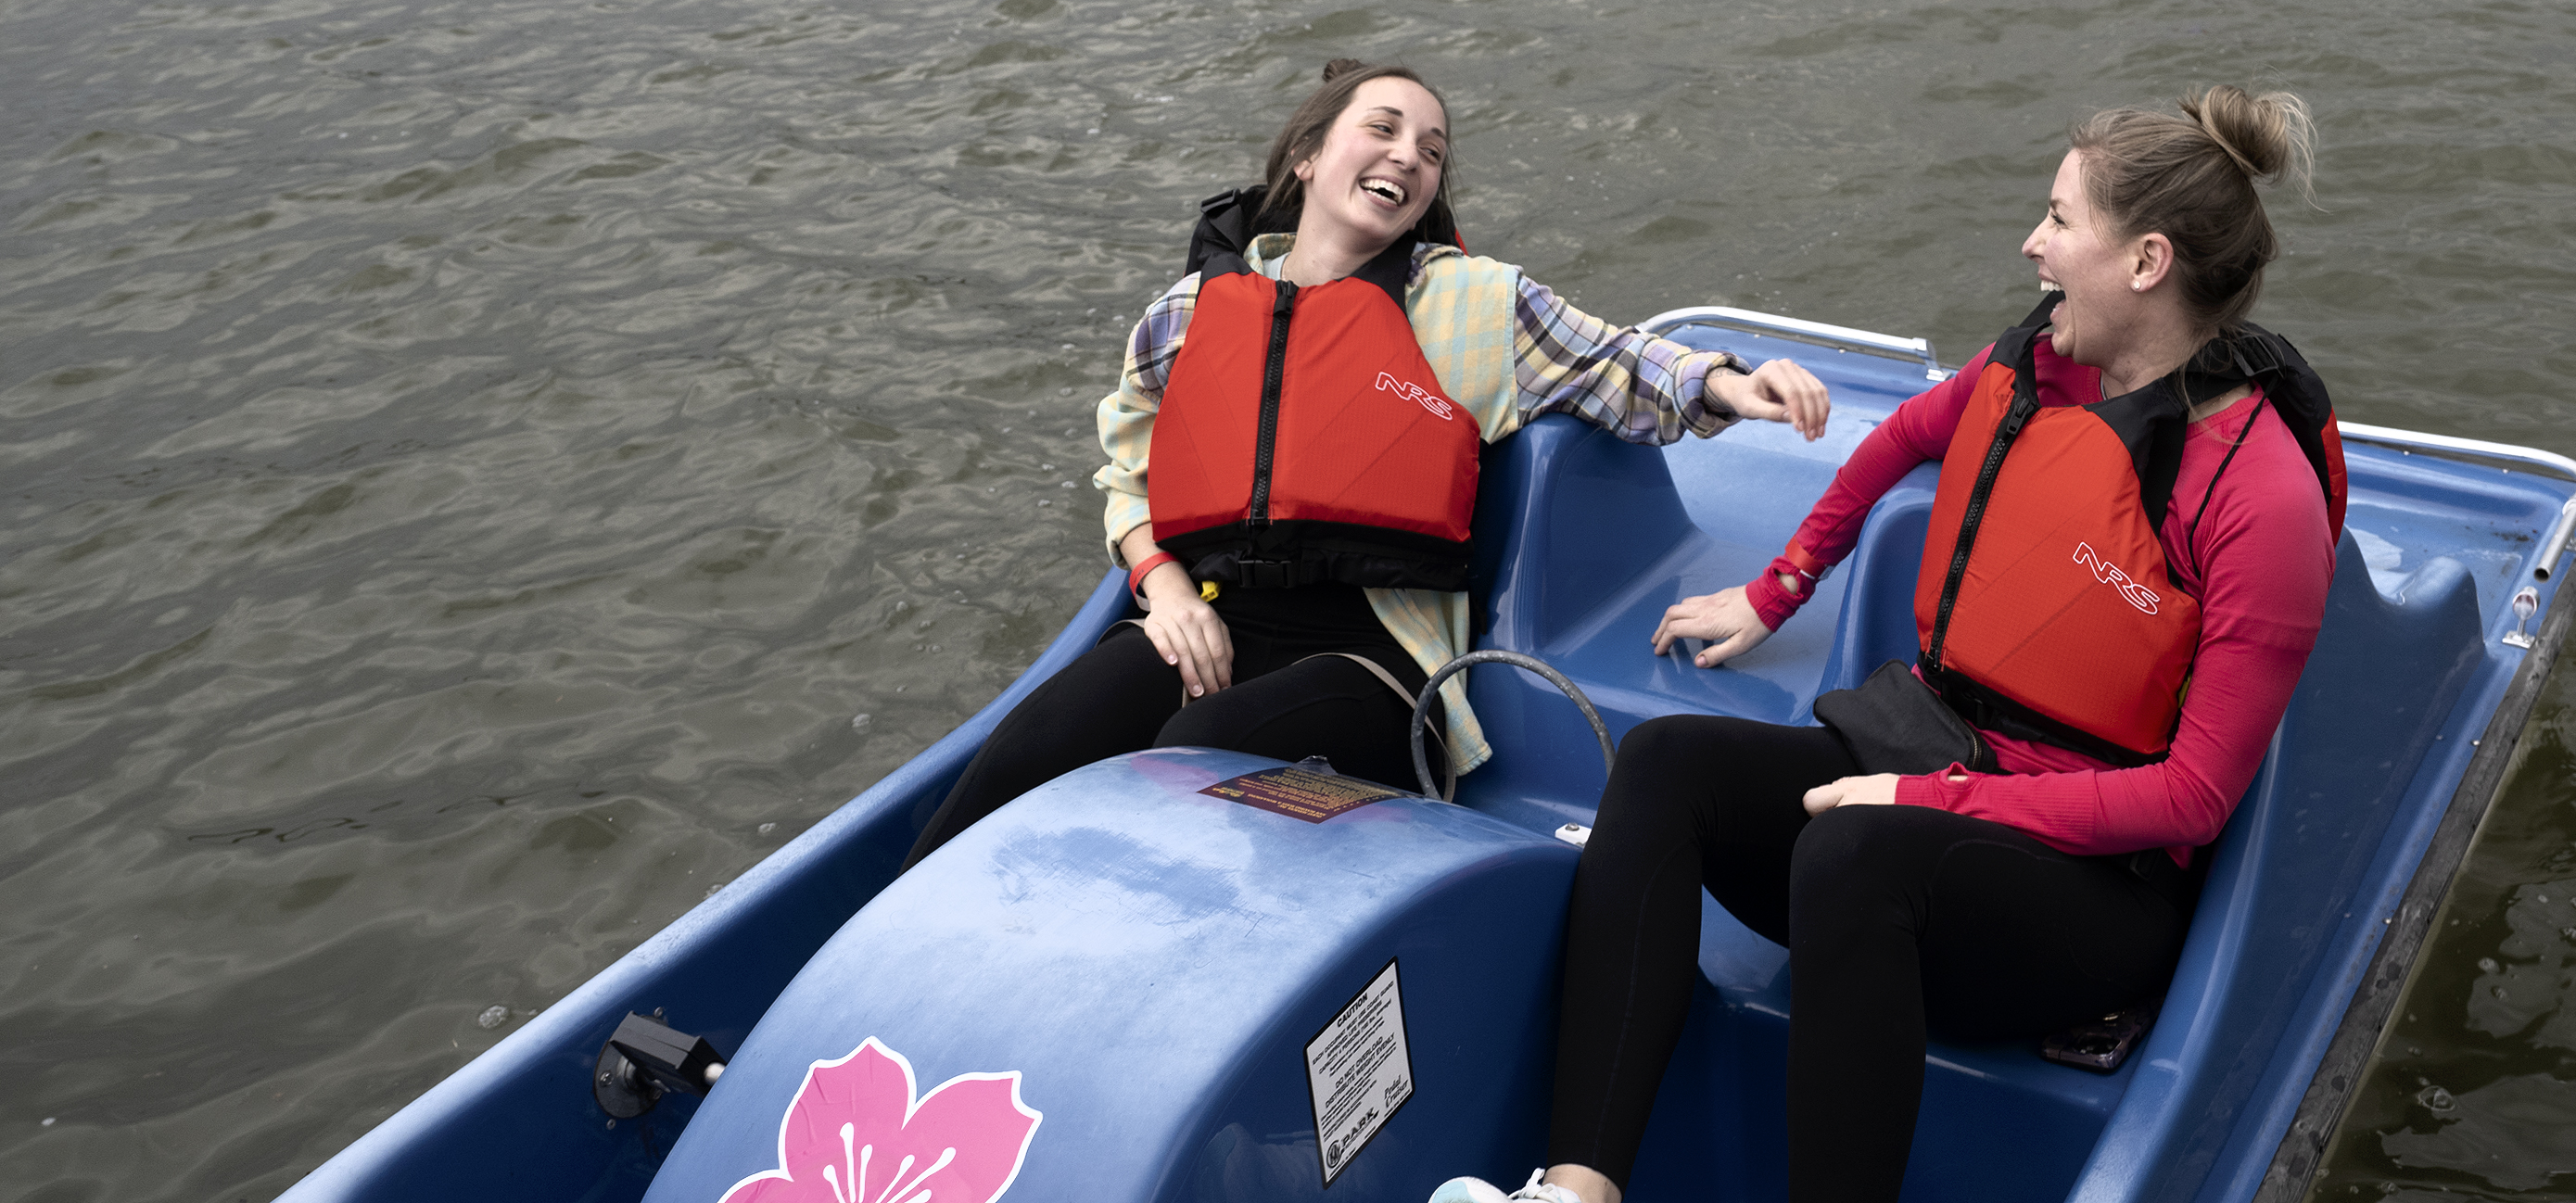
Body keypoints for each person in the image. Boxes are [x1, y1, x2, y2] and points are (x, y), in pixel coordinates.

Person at [1430, 89, 2339, 1203]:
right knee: (1669, 763)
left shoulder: (2260, 496)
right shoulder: (2040, 369)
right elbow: (1899, 440)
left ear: (2146, 258)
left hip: (2088, 893)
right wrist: (1773, 591)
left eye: (2059, 218)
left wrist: (1928, 800)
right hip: (1941, 768)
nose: (2031, 242)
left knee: (1856, 854)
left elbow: (2194, 797)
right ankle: (1575, 1188)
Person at [906, 59, 1835, 860]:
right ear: (1308, 156)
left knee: (1201, 752)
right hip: (1211, 616)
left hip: (1377, 665)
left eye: (1431, 149)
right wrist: (1168, 586)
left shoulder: (1473, 302)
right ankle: (875, 956)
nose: (1409, 156)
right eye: (1383, 128)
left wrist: (1727, 382)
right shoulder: (1186, 314)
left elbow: (1618, 363)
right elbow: (1128, 474)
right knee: (1036, 740)